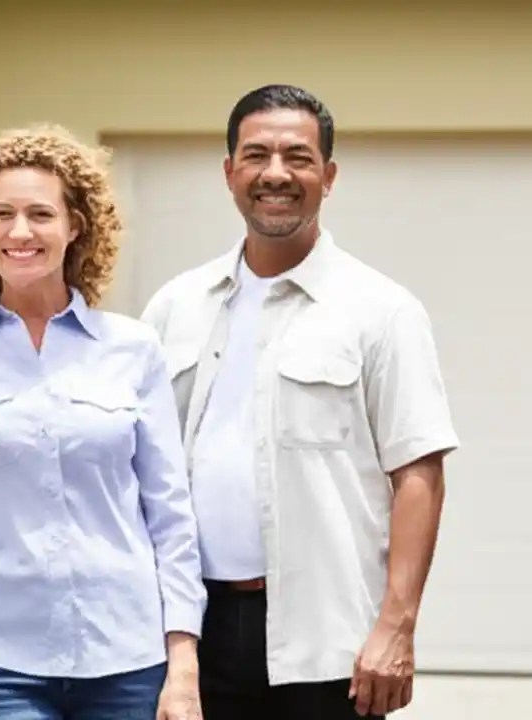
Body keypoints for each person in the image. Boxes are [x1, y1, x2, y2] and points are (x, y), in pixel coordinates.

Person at [141, 84, 459, 720]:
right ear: (229, 172)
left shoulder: (381, 310)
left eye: (298, 156)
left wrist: (396, 626)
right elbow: (136, 468)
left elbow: (418, 473)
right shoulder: (176, 306)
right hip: (188, 632)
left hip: (327, 640)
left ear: (329, 175)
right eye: (256, 155)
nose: (276, 174)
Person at [0, 125, 206, 720]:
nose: (21, 232)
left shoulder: (134, 349)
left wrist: (183, 663)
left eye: (41, 213)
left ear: (76, 226)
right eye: (2, 215)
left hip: (127, 655)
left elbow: (169, 515)